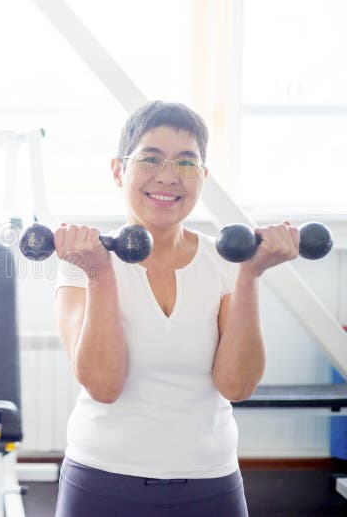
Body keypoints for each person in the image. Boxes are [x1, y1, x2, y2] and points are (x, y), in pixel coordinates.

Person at [53, 101, 298, 516]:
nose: (167, 177)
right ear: (118, 170)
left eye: (186, 163)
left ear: (203, 177)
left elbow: (236, 386)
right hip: (102, 478)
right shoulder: (83, 263)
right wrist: (100, 274)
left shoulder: (225, 262)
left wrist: (250, 276)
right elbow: (104, 385)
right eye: (151, 158)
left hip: (210, 481)